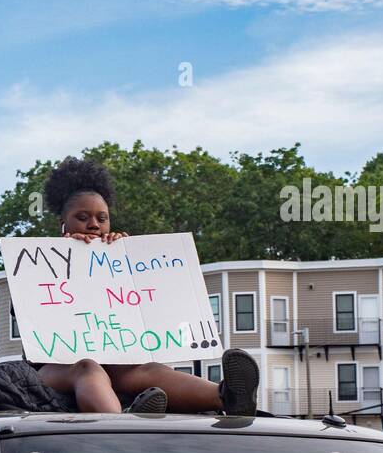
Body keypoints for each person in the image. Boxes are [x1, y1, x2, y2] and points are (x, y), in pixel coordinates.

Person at [31, 156, 260, 416]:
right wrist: (64, 259)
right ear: (64, 225)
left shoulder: (118, 258)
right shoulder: (40, 262)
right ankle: (121, 423)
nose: (94, 224)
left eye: (102, 218)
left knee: (149, 370)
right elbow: (27, 308)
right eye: (82, 217)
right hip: (58, 369)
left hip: (116, 366)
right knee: (88, 367)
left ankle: (227, 397)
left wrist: (128, 259)